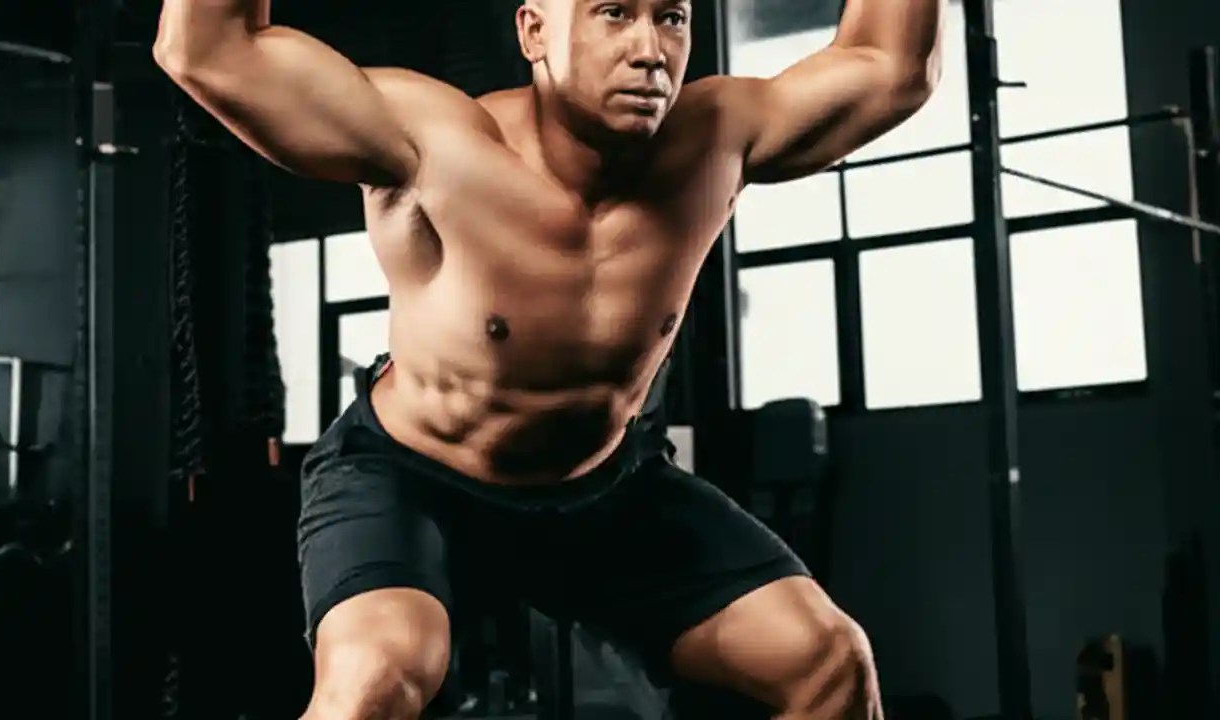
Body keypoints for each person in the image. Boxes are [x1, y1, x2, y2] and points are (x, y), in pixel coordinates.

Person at [155, 0, 943, 717]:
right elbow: (206, 49)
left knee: (829, 665)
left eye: (671, 18)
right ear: (535, 32)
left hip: (605, 489)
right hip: (411, 479)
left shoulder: (716, 139)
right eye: (614, 14)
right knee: (376, 681)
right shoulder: (432, 142)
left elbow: (892, 67)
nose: (650, 50)